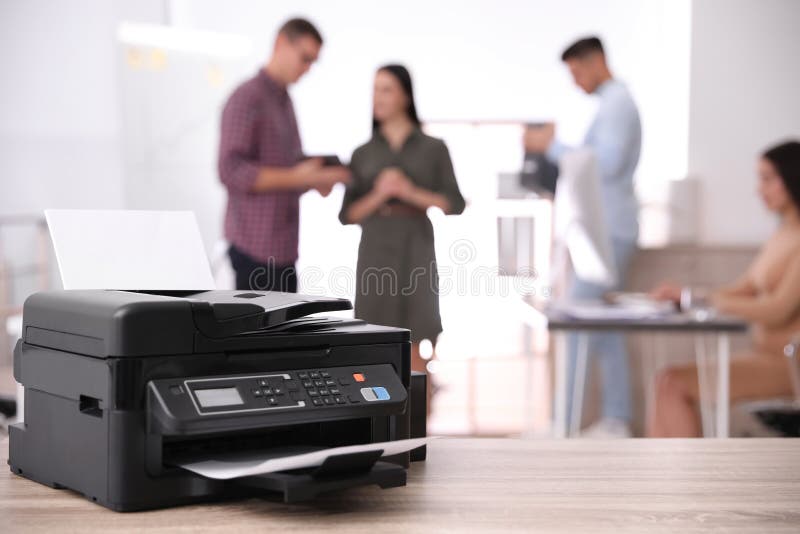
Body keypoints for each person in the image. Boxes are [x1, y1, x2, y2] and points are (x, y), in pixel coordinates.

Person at [524, 36, 642, 438]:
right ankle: (615, 418)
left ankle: (566, 421)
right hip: (606, 232)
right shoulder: (612, 105)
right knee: (604, 328)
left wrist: (551, 146)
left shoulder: (617, 105)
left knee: (575, 317)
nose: (575, 81)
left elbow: (604, 165)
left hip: (609, 234)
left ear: (595, 62)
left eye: (576, 71)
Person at [648, 140, 800, 437]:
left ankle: (687, 481)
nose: (759, 189)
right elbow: (740, 290)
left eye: (768, 179)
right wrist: (686, 295)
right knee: (665, 381)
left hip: (788, 367)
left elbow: (776, 311)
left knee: (675, 384)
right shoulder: (782, 234)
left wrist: (703, 301)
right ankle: (662, 479)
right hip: (762, 356)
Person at [339, 65, 465, 413]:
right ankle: (378, 425)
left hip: (417, 247)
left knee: (417, 333)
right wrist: (380, 194)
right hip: (376, 247)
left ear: (405, 96)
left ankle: (422, 423)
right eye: (375, 89)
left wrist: (409, 191)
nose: (377, 98)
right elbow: (347, 214)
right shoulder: (363, 153)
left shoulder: (433, 148)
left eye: (386, 89)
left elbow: (454, 204)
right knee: (375, 336)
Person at [218, 18, 350, 292]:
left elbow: (287, 171)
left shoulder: (284, 101)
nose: (307, 68)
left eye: (313, 61)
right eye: (304, 58)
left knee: (286, 334)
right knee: (258, 335)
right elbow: (230, 171)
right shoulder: (247, 97)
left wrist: (314, 178)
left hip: (284, 250)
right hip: (254, 251)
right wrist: (298, 176)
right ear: (280, 43)